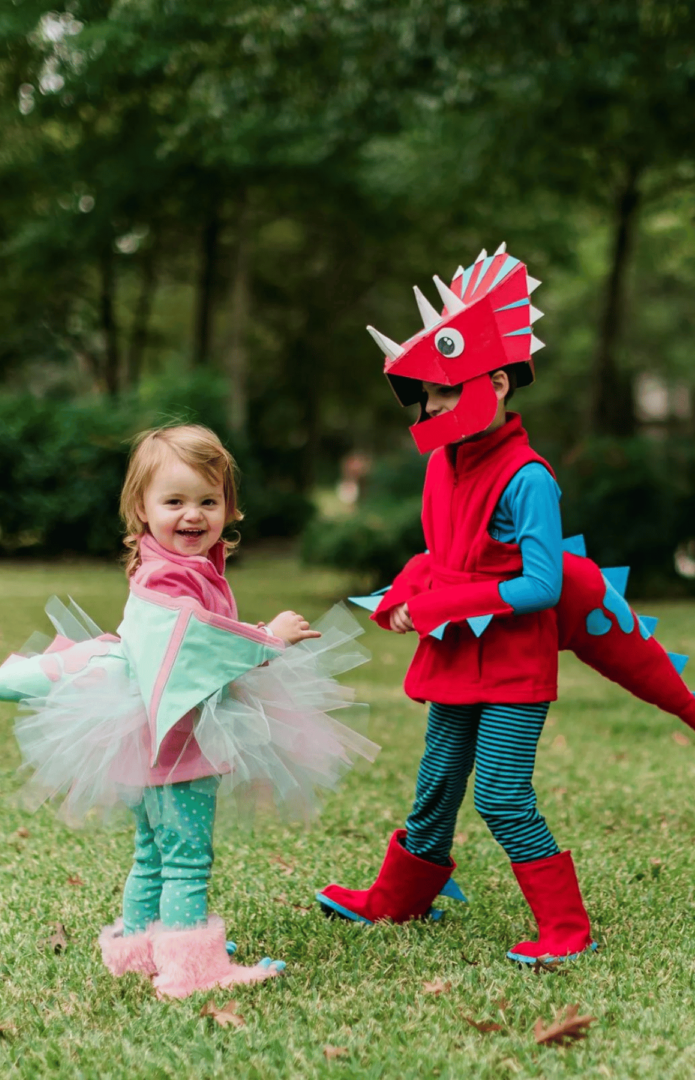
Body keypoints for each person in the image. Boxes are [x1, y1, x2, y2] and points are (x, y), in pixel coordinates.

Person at [0, 424, 378, 997]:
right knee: (186, 856)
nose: (193, 514)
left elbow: (190, 633)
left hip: (148, 733)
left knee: (153, 851)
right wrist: (270, 637)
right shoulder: (172, 573)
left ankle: (140, 950)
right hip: (178, 738)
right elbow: (196, 640)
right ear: (141, 508)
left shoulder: (169, 563)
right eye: (174, 502)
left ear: (228, 507)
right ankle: (192, 969)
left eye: (208, 501)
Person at [318, 245, 594, 963]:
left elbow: (542, 585)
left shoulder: (528, 477)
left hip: (512, 670)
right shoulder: (443, 463)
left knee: (502, 794)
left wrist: (441, 605)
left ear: (496, 382)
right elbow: (441, 556)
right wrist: (405, 595)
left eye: (443, 391)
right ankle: (399, 899)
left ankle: (566, 931)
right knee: (437, 782)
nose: (432, 408)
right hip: (454, 660)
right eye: (425, 397)